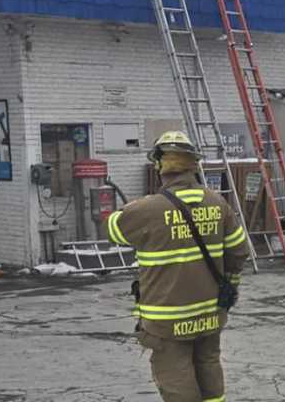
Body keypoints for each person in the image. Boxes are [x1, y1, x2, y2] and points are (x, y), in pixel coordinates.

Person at [106, 131, 249, 402]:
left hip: (167, 319)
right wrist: (230, 287)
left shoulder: (148, 209)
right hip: (210, 312)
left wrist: (133, 208)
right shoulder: (218, 203)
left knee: (175, 375)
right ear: (193, 164)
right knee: (208, 365)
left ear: (160, 165)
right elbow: (239, 251)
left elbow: (112, 229)